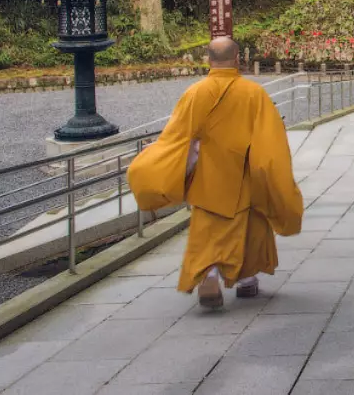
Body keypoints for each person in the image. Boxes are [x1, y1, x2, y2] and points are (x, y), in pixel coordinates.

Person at [128, 37, 303, 309]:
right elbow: (270, 143)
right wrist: (276, 179)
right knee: (252, 228)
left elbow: (176, 138)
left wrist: (163, 166)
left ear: (209, 60)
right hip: (245, 176)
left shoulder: (194, 93)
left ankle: (209, 274)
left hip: (209, 179)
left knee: (208, 233)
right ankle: (247, 280)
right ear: (237, 60)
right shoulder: (253, 94)